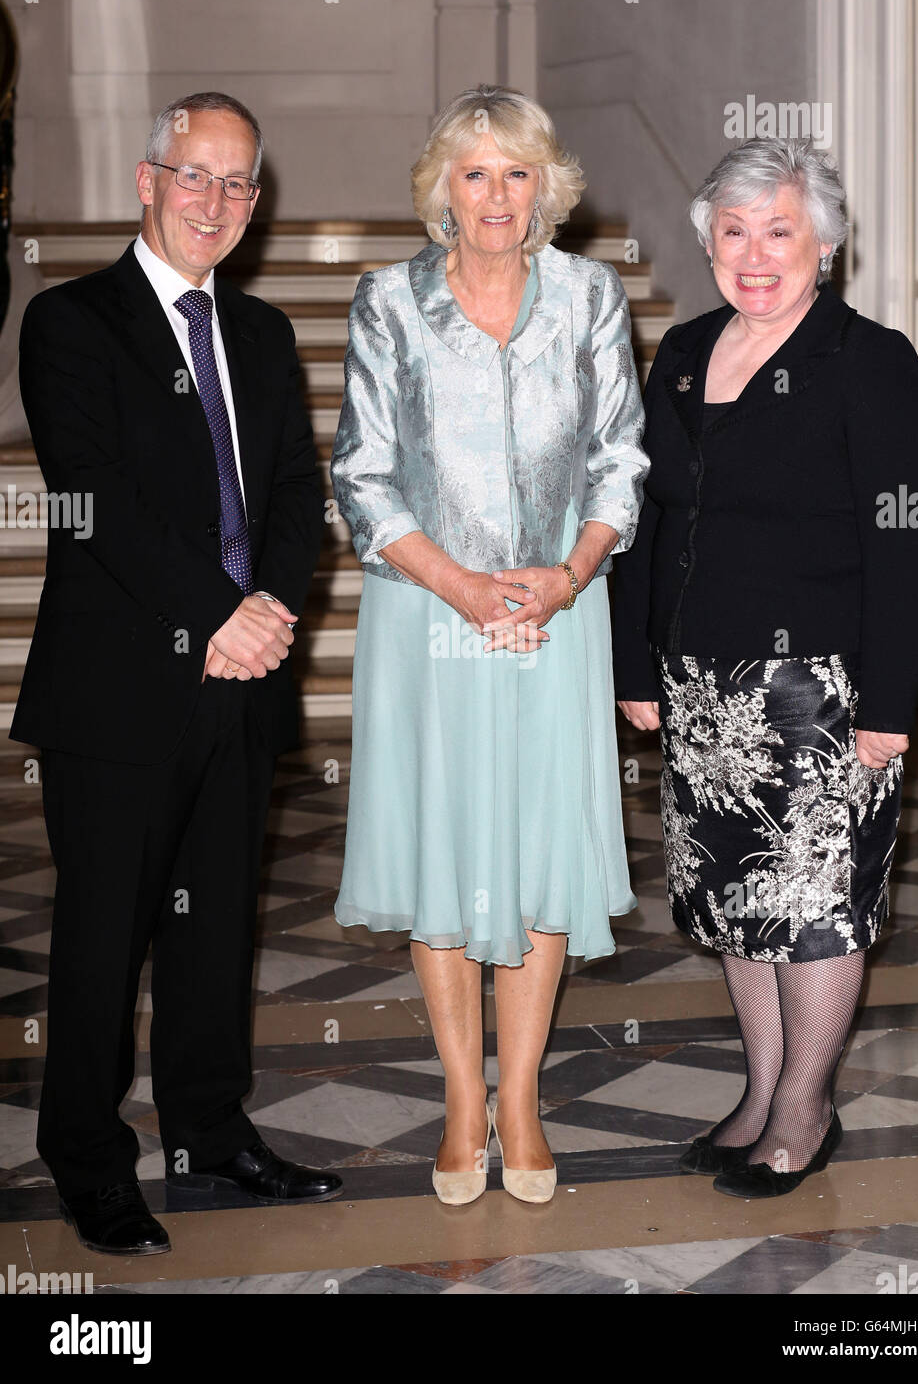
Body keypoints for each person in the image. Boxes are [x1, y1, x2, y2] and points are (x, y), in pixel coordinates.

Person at [11, 91, 341, 1255]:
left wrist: (266, 614)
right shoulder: (69, 322)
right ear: (146, 182)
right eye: (192, 175)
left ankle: (209, 1131)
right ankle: (88, 1160)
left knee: (215, 932)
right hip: (118, 690)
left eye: (237, 182)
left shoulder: (257, 334)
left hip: (239, 684)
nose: (214, 201)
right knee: (105, 935)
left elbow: (299, 495)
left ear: (256, 204)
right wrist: (216, 613)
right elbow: (93, 500)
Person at [331, 84, 647, 1206]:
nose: (496, 195)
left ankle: (523, 1100)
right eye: (474, 173)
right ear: (441, 191)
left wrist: (566, 576)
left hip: (558, 614)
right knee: (445, 846)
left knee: (537, 850)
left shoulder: (589, 296)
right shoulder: (388, 303)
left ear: (545, 185)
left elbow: (620, 459)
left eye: (516, 171)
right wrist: (463, 587)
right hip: (429, 616)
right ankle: (465, 1100)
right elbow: (360, 477)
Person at [612, 136, 918, 1198]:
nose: (754, 255)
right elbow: (646, 519)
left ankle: (804, 1106)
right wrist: (635, 662)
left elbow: (907, 537)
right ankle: (758, 1092)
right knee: (732, 903)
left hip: (822, 691)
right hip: (701, 683)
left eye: (779, 231)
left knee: (815, 909)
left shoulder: (869, 359)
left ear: (826, 244)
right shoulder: (681, 348)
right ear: (708, 240)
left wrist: (888, 707)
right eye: (733, 231)